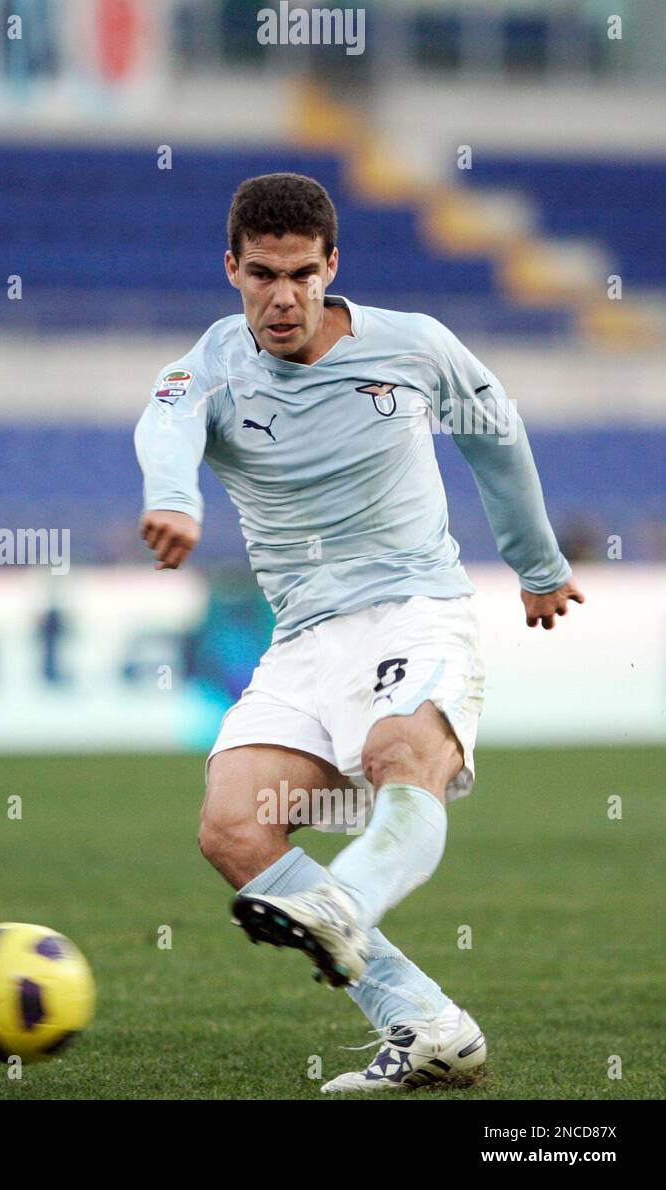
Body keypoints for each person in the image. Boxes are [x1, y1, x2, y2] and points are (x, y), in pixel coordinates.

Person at [135, 172, 581, 1092]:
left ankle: (347, 901)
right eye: (263, 274)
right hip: (303, 640)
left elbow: (496, 436)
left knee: (396, 758)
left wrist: (537, 567)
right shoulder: (212, 364)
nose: (283, 296)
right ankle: (425, 1023)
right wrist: (173, 502)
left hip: (417, 610)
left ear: (333, 265)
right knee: (232, 825)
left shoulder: (414, 348)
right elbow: (165, 424)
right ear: (232, 269)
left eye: (302, 273)